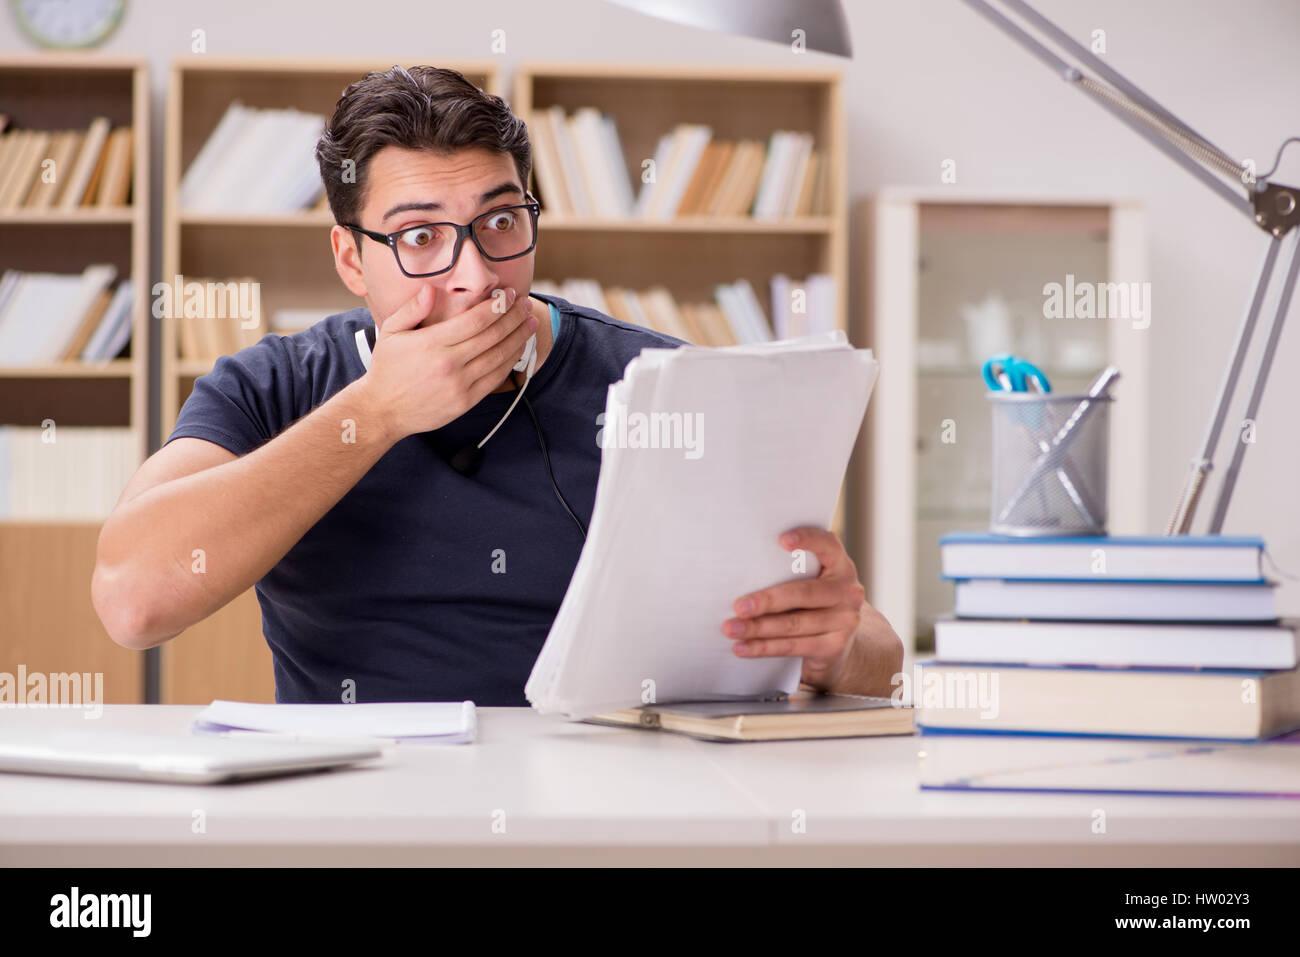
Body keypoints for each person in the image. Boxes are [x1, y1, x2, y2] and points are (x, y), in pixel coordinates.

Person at [91, 65, 902, 705]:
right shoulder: (272, 386)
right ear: (350, 260)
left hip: (604, 819)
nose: (476, 274)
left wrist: (835, 647)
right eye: (420, 237)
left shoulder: (666, 388)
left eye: (501, 221)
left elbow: (873, 651)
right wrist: (375, 414)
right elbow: (133, 602)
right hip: (357, 818)